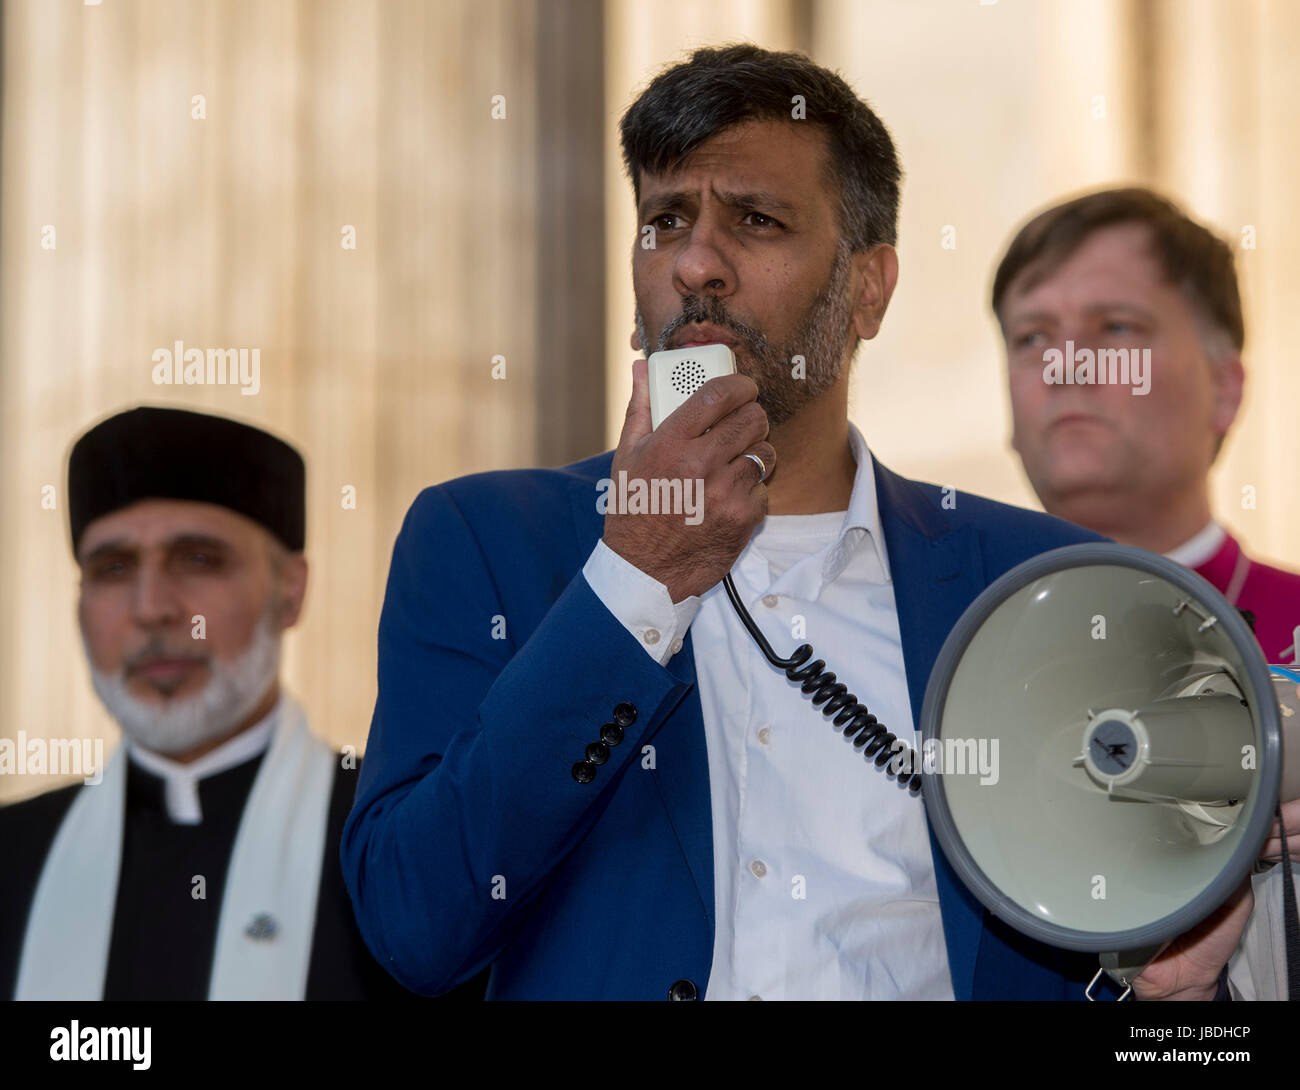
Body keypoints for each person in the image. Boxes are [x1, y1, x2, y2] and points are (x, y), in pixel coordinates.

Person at [343, 45, 1250, 1000]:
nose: (696, 262)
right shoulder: (487, 540)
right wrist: (635, 579)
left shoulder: (1046, 584)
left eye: (757, 220)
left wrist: (1162, 1005)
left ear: (869, 288)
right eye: (665, 221)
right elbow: (412, 925)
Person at [0, 406, 482, 1000]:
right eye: (114, 568)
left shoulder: (399, 851)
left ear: (290, 591)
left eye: (199, 559)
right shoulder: (13, 857)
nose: (152, 608)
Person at [993, 186, 1300, 999]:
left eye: (1116, 330)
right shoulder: (945, 643)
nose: (1064, 366)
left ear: (1226, 388)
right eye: (1032, 339)